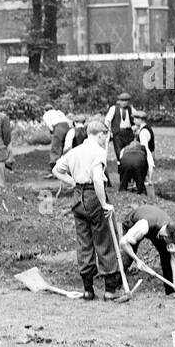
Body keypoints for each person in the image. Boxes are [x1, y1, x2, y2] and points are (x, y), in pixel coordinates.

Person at [52, 119, 125, 301]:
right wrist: (104, 204)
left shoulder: (74, 152)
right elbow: (98, 180)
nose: (105, 141)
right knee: (105, 240)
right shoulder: (98, 151)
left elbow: (56, 170)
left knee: (84, 242)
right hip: (94, 196)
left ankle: (88, 290)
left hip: (77, 198)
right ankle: (109, 290)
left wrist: (73, 183)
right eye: (105, 137)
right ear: (100, 134)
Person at [118, 203, 175, 291]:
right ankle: (113, 287)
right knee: (127, 258)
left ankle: (173, 290)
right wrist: (137, 260)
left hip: (155, 227)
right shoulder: (143, 226)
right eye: (172, 242)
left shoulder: (171, 229)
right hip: (133, 223)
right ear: (166, 235)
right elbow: (123, 243)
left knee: (167, 255)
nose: (173, 244)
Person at [105, 92, 137, 166]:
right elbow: (107, 120)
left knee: (129, 150)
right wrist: (109, 130)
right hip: (117, 133)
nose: (124, 103)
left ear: (128, 102)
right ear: (119, 101)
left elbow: (136, 120)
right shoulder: (113, 109)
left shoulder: (131, 109)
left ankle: (128, 166)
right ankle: (120, 166)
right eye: (122, 100)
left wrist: (135, 127)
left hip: (129, 133)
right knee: (119, 151)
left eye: (126, 101)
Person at [42, 107, 71, 172]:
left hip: (58, 127)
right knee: (65, 145)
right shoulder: (59, 112)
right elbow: (67, 121)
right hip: (67, 126)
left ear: (45, 110)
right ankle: (66, 164)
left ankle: (54, 165)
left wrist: (53, 133)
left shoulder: (46, 114)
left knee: (56, 146)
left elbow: (50, 126)